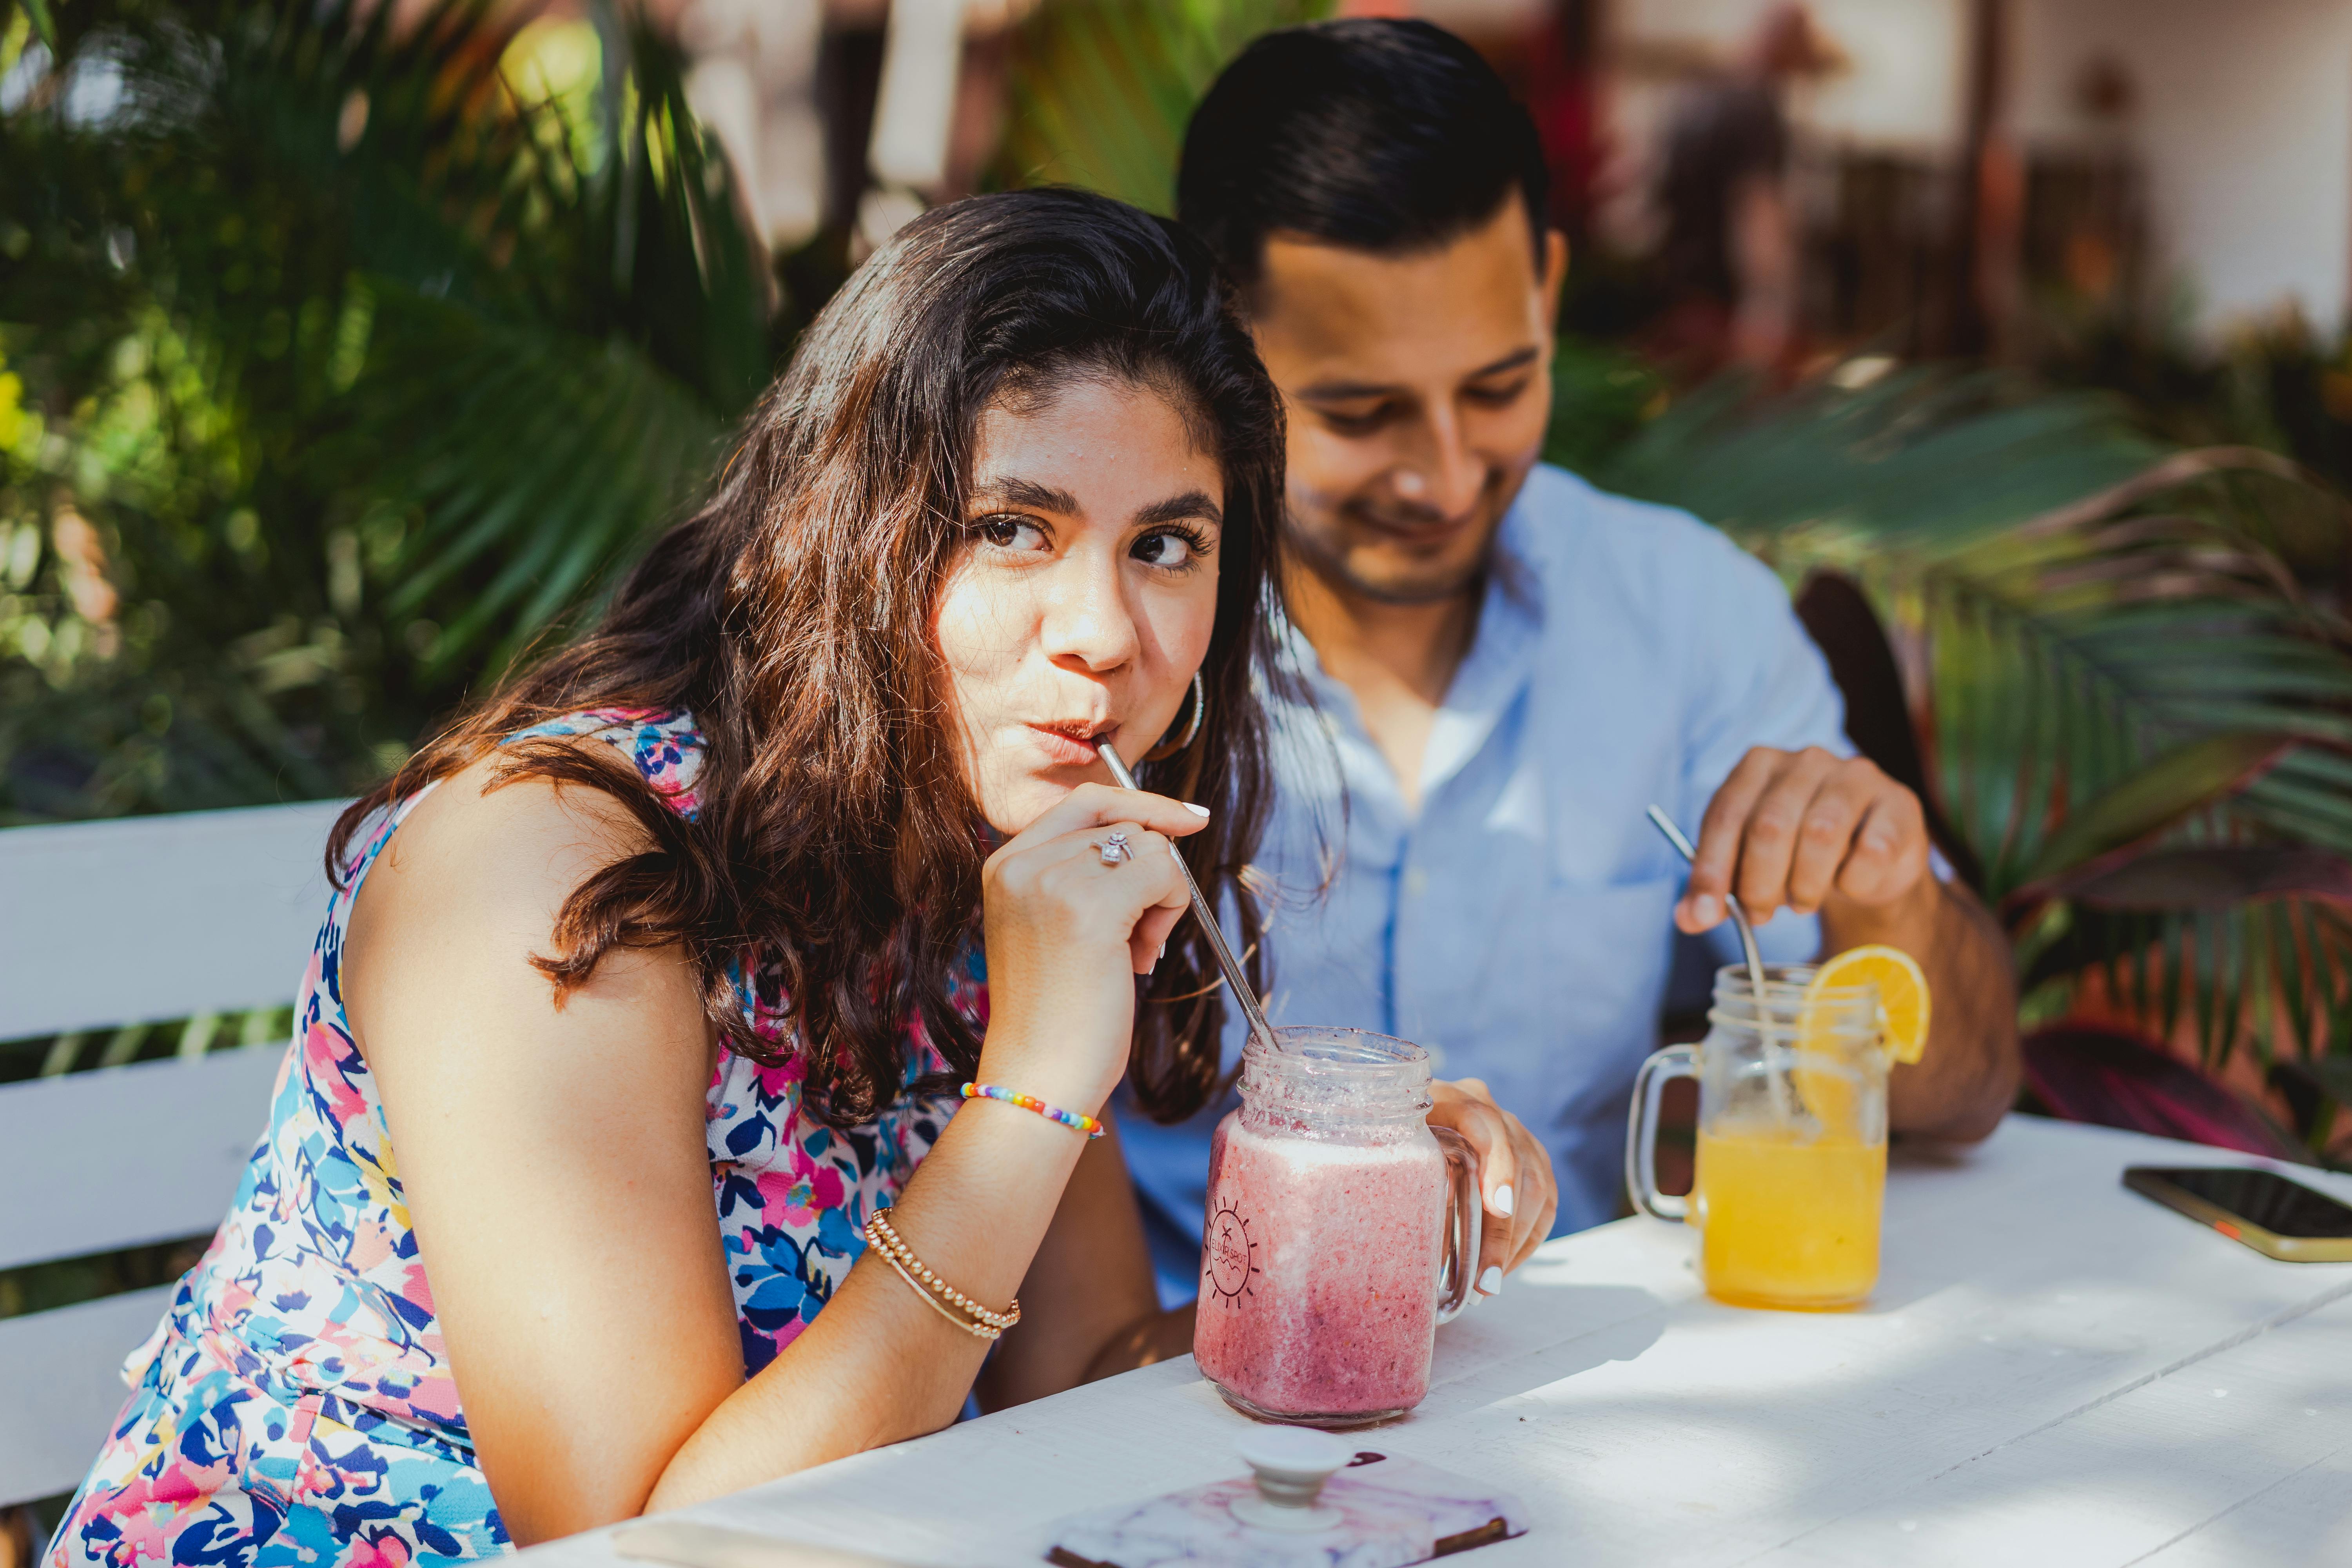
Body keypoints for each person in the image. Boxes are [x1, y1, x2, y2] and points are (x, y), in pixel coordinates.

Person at [44, 188, 1551, 1568]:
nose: (1102, 629)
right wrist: (1027, 1091)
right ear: (842, 537)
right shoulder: (560, 866)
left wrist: (1357, 1244)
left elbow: (1082, 1378)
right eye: (1012, 529)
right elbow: (648, 1549)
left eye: (1168, 544)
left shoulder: (992, 855)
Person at [1120, 19, 2021, 1303]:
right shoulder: (1110, 644)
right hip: (1157, 1407)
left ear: (1544, 285)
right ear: (1217, 347)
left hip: (1573, 1397)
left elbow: (1968, 1090)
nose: (1442, 473)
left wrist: (1890, 900)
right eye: (1360, 413)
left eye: (1497, 386)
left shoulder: (1686, 614)